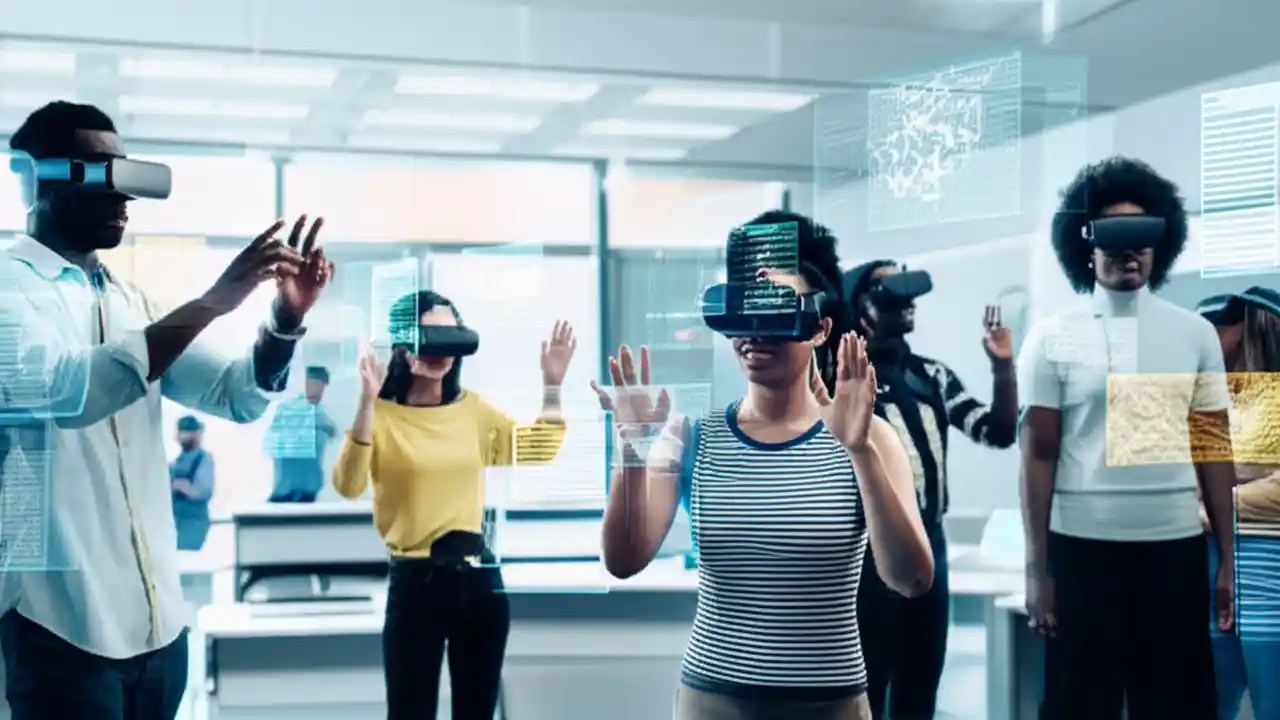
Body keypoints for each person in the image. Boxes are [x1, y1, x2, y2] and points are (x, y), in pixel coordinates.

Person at [0, 100, 334, 720]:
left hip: (159, 634)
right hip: (58, 626)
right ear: (44, 180)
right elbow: (69, 391)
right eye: (106, 175)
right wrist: (211, 301)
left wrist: (284, 321)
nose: (125, 197)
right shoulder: (9, 289)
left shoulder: (131, 300)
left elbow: (237, 393)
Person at [596, 210, 934, 720]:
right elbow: (623, 560)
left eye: (777, 315)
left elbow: (911, 579)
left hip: (829, 703)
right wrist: (630, 448)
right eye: (744, 316)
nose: (756, 334)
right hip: (713, 701)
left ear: (819, 329)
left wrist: (859, 449)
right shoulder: (691, 437)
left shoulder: (869, 436)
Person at [1019, 157, 1236, 719]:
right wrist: (1037, 569)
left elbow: (1213, 448)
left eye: (1142, 235)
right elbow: (1038, 454)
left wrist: (1227, 562)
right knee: (1078, 705)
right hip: (1082, 551)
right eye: (1113, 235)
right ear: (1084, 244)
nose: (1128, 250)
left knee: (1177, 705)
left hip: (1173, 552)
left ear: (1160, 244)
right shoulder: (1052, 337)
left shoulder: (1193, 335)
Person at [332, 290, 575, 720]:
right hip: (414, 584)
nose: (440, 351)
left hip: (479, 583)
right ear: (403, 347)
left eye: (450, 336)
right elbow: (349, 484)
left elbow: (539, 448)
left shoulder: (472, 411)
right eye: (429, 337)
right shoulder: (382, 415)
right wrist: (367, 401)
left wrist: (553, 384)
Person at [843, 259, 1018, 719]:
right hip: (866, 556)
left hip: (932, 542)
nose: (904, 302)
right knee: (868, 685)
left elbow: (998, 432)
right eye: (888, 293)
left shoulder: (931, 375)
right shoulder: (844, 383)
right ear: (860, 307)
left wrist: (1003, 368)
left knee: (921, 682)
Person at [1197, 286, 1280, 720]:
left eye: (1213, 328)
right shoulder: (1215, 400)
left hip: (1268, 573)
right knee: (1214, 701)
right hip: (1214, 571)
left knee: (1271, 703)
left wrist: (1214, 504)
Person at [266, 365, 337, 503]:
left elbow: (331, 431)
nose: (316, 389)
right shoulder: (292, 410)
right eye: (312, 384)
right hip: (288, 487)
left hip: (306, 486)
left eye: (319, 385)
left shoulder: (320, 415)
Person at [170, 415, 215, 551]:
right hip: (176, 520)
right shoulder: (176, 461)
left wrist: (183, 487)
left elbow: (203, 492)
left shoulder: (203, 459)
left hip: (193, 521)